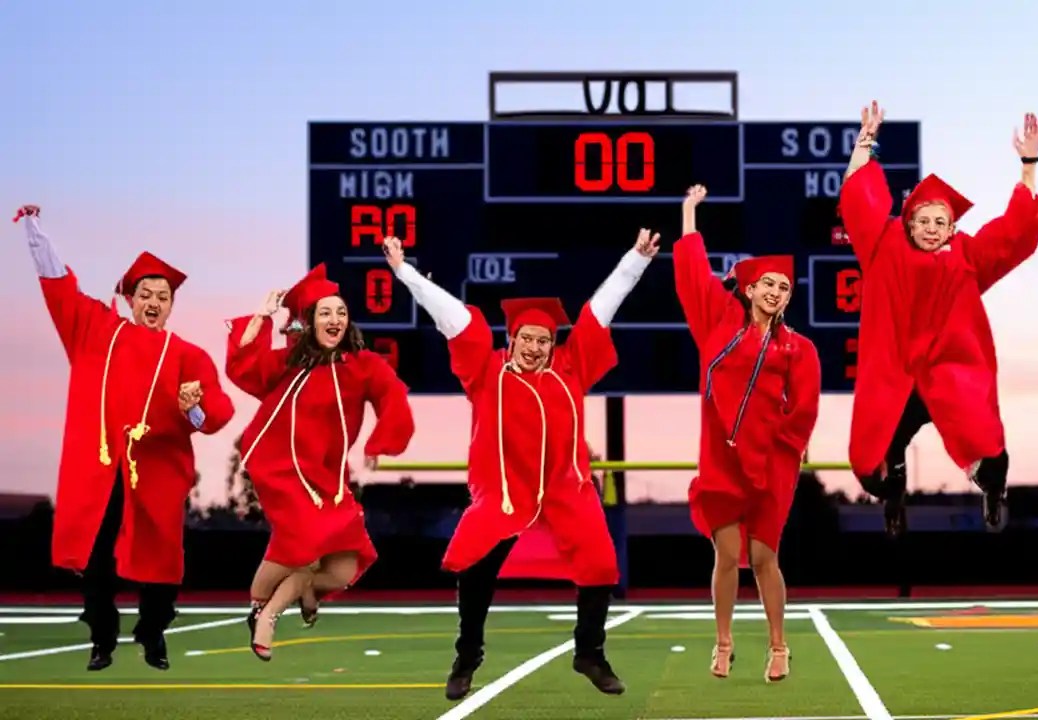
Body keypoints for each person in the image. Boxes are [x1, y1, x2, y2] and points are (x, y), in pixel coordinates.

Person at [385, 230, 658, 700]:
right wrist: (405, 273)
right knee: (475, 564)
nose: (534, 347)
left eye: (543, 340)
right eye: (526, 338)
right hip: (504, 489)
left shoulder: (571, 369)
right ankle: (467, 655)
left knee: (600, 563)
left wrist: (635, 259)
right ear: (511, 340)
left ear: (554, 345)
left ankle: (589, 653)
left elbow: (600, 311)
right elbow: (453, 319)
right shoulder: (485, 371)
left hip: (565, 487)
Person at [16, 204, 236, 671]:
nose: (154, 302)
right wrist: (35, 231)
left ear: (171, 305)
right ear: (130, 297)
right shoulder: (96, 331)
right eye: (145, 293)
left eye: (163, 296)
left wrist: (191, 407)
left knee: (160, 568)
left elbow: (218, 414)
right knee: (96, 565)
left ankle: (153, 634)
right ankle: (102, 638)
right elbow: (59, 287)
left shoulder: (187, 356)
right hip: (99, 472)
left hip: (157, 476)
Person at [838, 102, 1038, 537]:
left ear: (953, 228)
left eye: (942, 222)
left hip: (952, 370)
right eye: (924, 220)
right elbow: (858, 197)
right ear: (907, 221)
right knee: (878, 450)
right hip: (897, 372)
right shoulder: (883, 247)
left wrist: (1028, 164)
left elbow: (1015, 232)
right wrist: (864, 143)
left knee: (983, 439)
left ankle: (993, 490)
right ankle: (893, 497)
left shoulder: (967, 256)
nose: (933, 228)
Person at [224, 263, 415, 660]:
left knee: (343, 568)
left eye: (341, 312)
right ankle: (265, 612)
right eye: (325, 313)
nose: (335, 319)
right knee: (304, 548)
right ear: (308, 322)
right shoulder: (289, 363)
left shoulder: (362, 366)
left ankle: (305, 591)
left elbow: (392, 396)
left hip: (327, 479)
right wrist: (261, 318)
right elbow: (244, 368)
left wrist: (381, 441)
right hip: (281, 470)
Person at [673, 185, 822, 682]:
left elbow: (804, 410)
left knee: (763, 556)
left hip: (771, 459)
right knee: (726, 552)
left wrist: (780, 444)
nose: (776, 292)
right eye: (768, 284)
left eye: (785, 287)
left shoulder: (799, 349)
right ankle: (723, 642)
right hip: (720, 455)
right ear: (749, 288)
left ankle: (779, 646)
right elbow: (694, 275)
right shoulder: (718, 323)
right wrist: (689, 212)